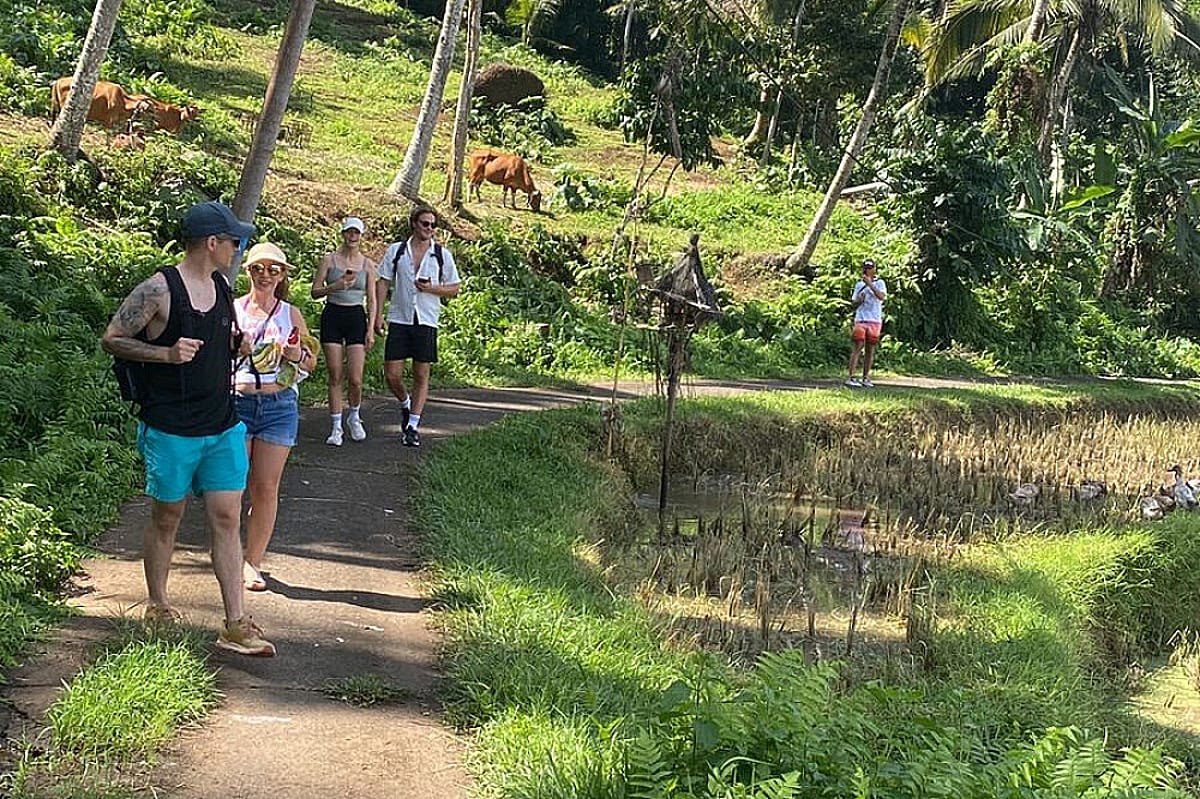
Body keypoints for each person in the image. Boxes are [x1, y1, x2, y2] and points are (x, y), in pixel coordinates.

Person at [100, 200, 275, 657]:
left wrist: (235, 344)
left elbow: (220, 345)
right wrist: (166, 353)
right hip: (171, 428)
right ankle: (158, 606)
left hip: (222, 425)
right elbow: (112, 339)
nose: (239, 248)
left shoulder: (221, 286)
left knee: (227, 516)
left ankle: (235, 622)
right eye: (235, 241)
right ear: (212, 243)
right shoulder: (159, 289)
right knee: (167, 518)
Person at [235, 242, 318, 593]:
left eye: (273, 269)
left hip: (278, 407)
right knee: (231, 488)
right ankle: (228, 555)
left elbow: (311, 363)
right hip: (237, 403)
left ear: (283, 275)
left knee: (265, 488)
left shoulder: (291, 314)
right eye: (258, 268)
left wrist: (297, 354)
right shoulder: (233, 309)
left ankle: (252, 563)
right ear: (248, 271)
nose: (265, 275)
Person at [374, 206, 461, 447]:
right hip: (400, 317)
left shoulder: (442, 255)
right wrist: (378, 314)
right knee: (392, 374)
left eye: (433, 225)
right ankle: (405, 402)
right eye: (425, 224)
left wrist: (431, 288)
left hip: (426, 319)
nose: (429, 229)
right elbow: (383, 282)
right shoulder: (397, 251)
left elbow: (454, 288)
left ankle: (413, 424)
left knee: (422, 374)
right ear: (414, 223)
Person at [312, 217, 377, 446]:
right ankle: (336, 426)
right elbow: (315, 291)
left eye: (356, 233)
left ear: (361, 236)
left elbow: (372, 298)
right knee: (335, 373)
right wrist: (335, 286)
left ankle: (354, 416)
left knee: (356, 378)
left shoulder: (367, 264)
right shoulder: (329, 260)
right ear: (343, 234)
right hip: (333, 314)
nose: (352, 236)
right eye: (349, 232)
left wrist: (370, 329)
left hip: (356, 317)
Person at [846, 258, 887, 388]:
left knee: (870, 349)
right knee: (858, 346)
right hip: (861, 319)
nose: (868, 270)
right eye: (866, 268)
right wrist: (859, 300)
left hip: (874, 320)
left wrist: (870, 284)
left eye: (870, 268)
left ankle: (866, 377)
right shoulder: (859, 285)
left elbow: (881, 296)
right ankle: (851, 376)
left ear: (874, 269)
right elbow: (854, 303)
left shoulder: (880, 283)